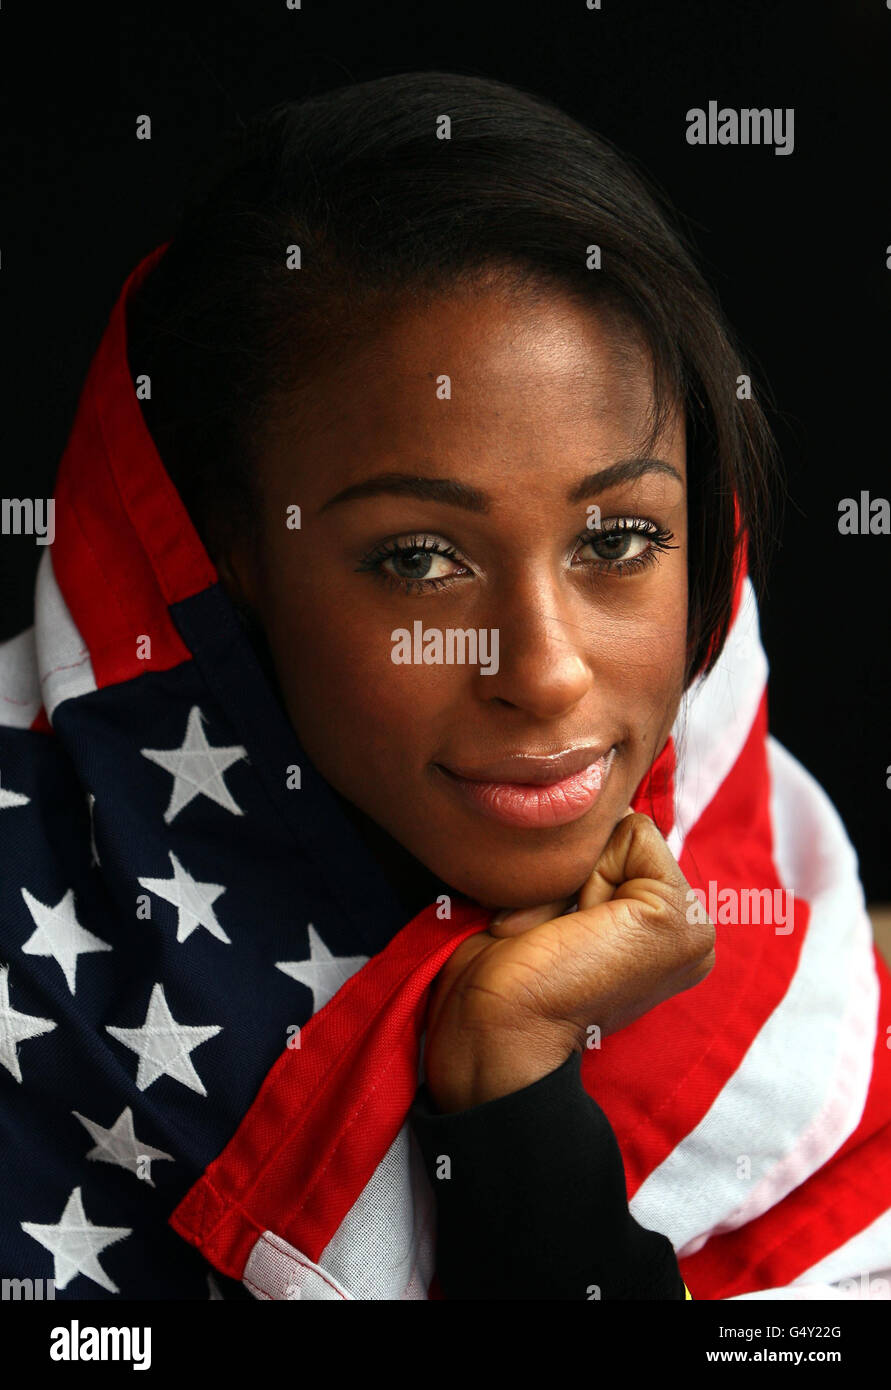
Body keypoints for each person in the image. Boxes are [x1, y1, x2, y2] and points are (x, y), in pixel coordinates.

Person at [1, 71, 889, 1301]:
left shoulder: (816, 975)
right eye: (421, 559)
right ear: (223, 559)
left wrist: (511, 1088)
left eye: (618, 540)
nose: (544, 672)